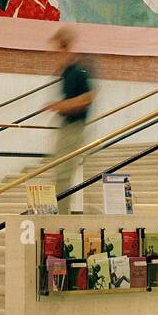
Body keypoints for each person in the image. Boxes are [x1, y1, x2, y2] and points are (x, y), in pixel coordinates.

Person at [47, 27, 94, 213]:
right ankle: (59, 211)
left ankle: (61, 215)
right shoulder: (67, 71)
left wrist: (60, 106)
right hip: (67, 125)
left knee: (63, 172)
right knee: (60, 171)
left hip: (74, 127)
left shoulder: (78, 70)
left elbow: (87, 98)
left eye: (57, 50)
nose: (55, 55)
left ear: (64, 48)